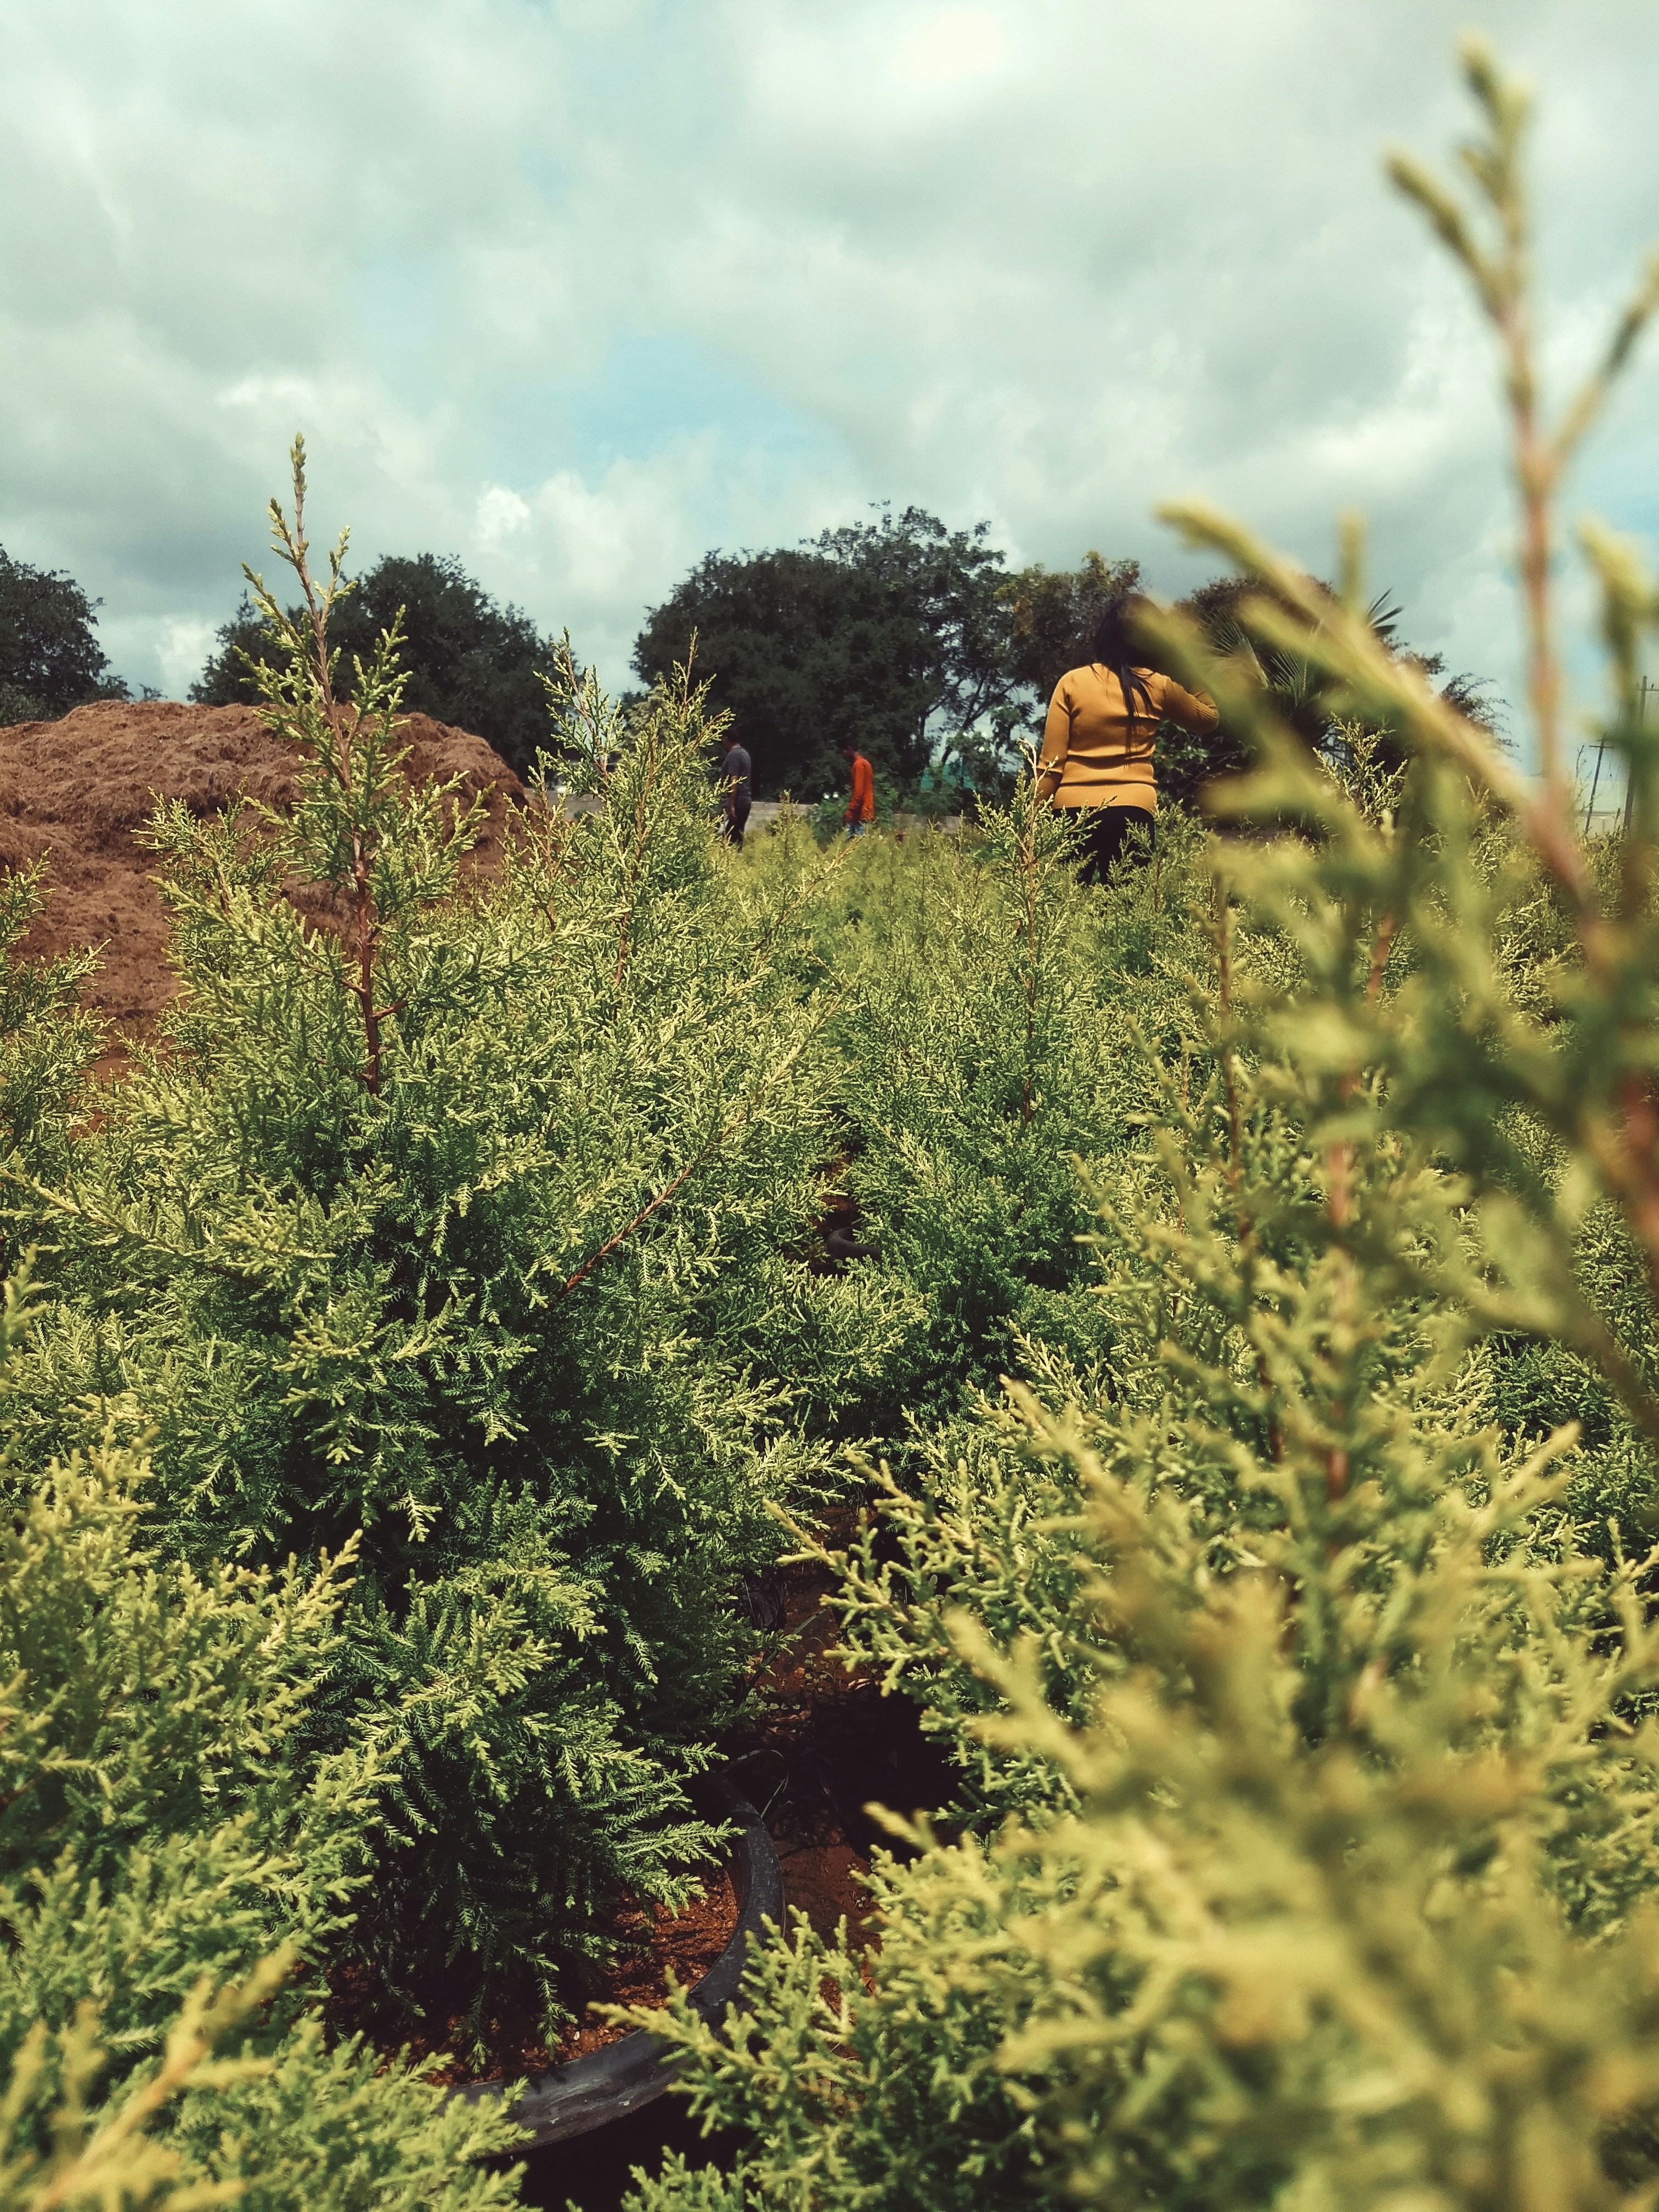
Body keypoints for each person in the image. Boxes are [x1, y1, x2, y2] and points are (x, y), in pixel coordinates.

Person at [1037, 591, 1219, 883]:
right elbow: (1208, 719)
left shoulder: (1072, 682)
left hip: (1071, 814)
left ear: (1105, 635)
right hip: (1132, 813)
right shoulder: (1159, 686)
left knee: (1068, 913)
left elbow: (1051, 764)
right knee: (1124, 916)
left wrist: (1028, 824)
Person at [719, 735, 752, 845]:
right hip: (745, 800)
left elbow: (734, 779)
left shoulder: (734, 755)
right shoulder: (744, 754)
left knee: (729, 840)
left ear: (726, 739)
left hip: (737, 801)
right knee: (736, 836)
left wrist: (731, 805)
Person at [840, 743, 875, 838]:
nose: (843, 755)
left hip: (859, 814)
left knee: (852, 845)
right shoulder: (866, 763)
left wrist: (850, 812)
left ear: (849, 748)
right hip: (866, 810)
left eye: (843, 751)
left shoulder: (858, 765)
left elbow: (858, 793)